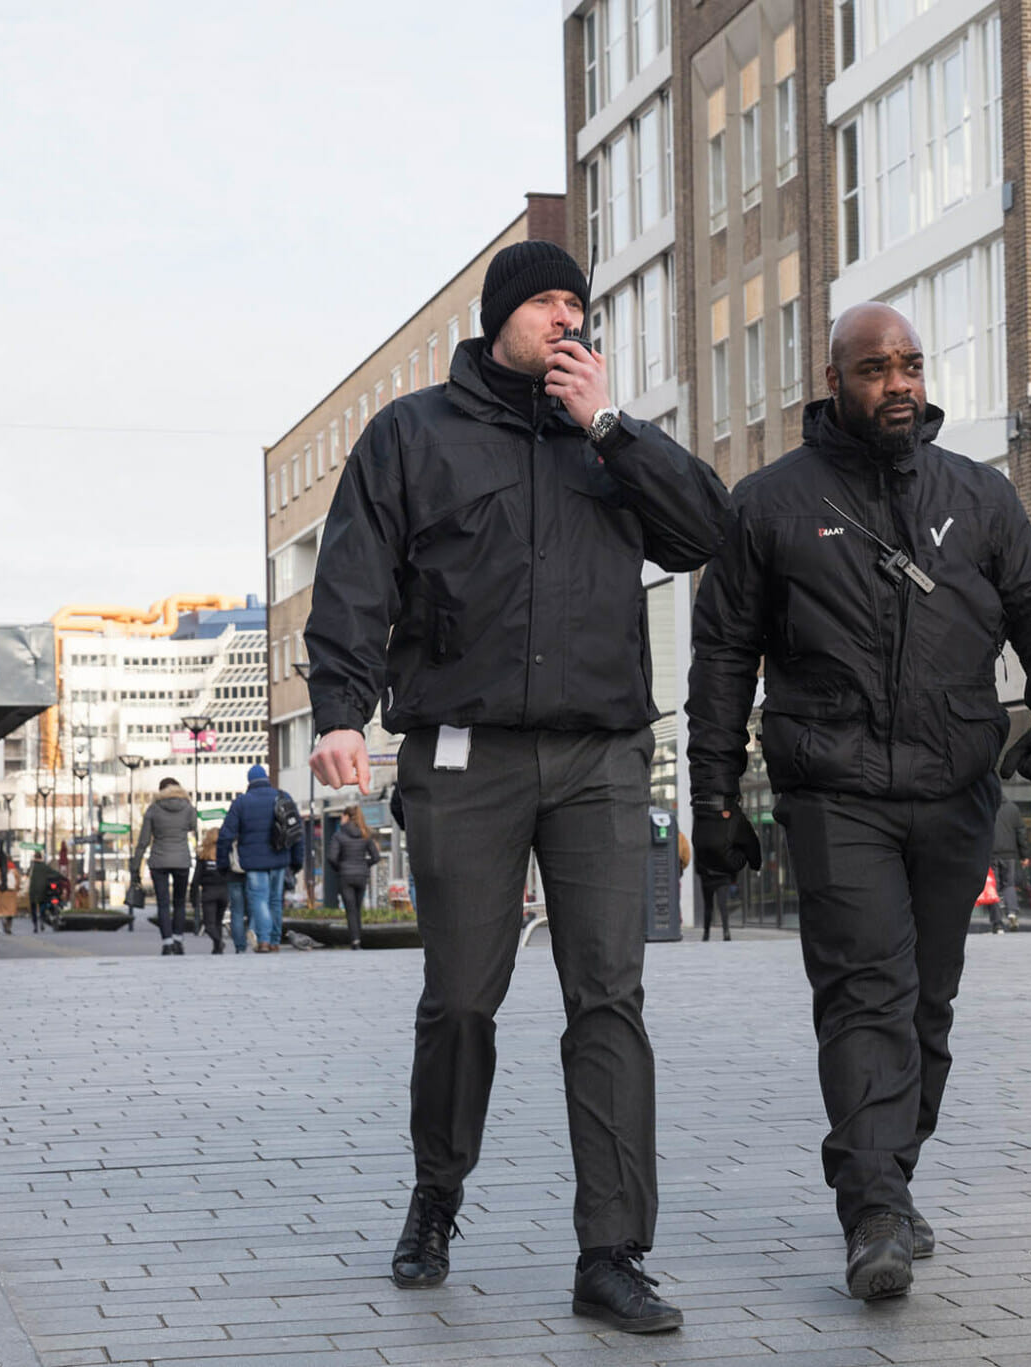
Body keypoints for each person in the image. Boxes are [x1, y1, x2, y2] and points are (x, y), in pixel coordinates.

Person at [305, 239, 729, 1332]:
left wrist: (611, 426)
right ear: (502, 315)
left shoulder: (608, 442)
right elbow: (354, 576)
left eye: (577, 305)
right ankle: (437, 1194)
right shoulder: (412, 435)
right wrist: (341, 710)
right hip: (464, 754)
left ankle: (612, 1253)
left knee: (608, 998)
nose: (565, 317)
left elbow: (706, 530)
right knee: (459, 998)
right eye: (547, 300)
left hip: (597, 756)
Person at [687, 302, 1031, 1301]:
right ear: (835, 382)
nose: (897, 383)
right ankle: (871, 1211)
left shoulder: (978, 495)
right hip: (834, 792)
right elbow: (724, 655)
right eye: (874, 369)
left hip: (956, 783)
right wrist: (713, 793)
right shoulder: (768, 504)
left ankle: (890, 1176)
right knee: (866, 992)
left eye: (910, 364)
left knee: (928, 1004)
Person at [216, 765, 307, 954]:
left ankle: (264, 940)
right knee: (275, 901)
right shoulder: (283, 797)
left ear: (249, 782)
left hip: (254, 863)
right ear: (266, 778)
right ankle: (274, 941)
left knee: (260, 900)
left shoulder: (241, 803)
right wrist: (297, 860)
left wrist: (223, 863)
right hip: (280, 859)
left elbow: (226, 835)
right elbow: (297, 831)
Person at [131, 778, 201, 956]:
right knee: (179, 903)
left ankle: (167, 943)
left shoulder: (153, 809)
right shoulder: (187, 808)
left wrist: (135, 867)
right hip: (181, 861)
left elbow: (143, 842)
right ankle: (178, 940)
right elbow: (194, 829)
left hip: (159, 861)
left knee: (163, 903)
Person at [327, 804, 380, 949]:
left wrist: (340, 867)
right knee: (357, 908)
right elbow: (376, 857)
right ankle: (359, 939)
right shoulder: (365, 834)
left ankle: (355, 941)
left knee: (350, 909)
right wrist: (364, 864)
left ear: (346, 817)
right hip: (361, 876)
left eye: (342, 816)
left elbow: (332, 857)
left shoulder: (339, 835)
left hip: (345, 876)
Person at [193, 830, 232, 955]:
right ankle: (217, 948)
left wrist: (193, 897)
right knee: (218, 923)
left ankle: (218, 942)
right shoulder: (225, 855)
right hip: (223, 893)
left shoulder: (203, 857)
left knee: (209, 925)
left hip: (209, 893)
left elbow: (196, 879)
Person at [989, 796, 1024, 933]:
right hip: (1010, 855)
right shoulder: (1013, 808)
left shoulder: (989, 807)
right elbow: (1020, 832)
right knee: (1009, 884)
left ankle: (997, 924)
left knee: (994, 888)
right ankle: (1012, 913)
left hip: (991, 854)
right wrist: (1024, 854)